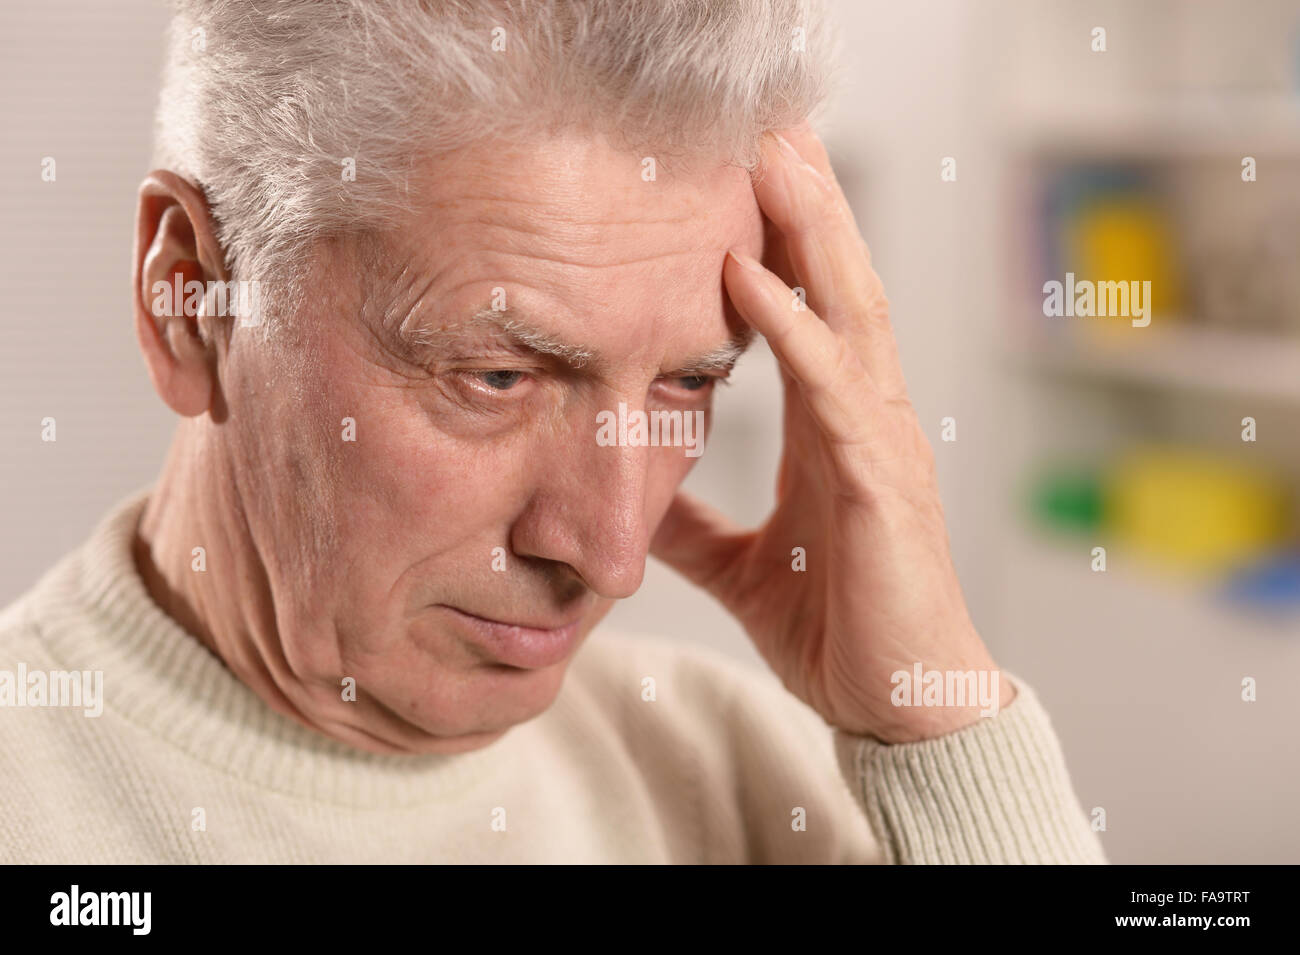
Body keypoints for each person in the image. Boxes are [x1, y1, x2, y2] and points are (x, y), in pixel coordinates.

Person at [0, 0, 1104, 864]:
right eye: (497, 375)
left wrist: (941, 723)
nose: (613, 554)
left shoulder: (742, 773)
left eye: (686, 381)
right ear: (191, 296)